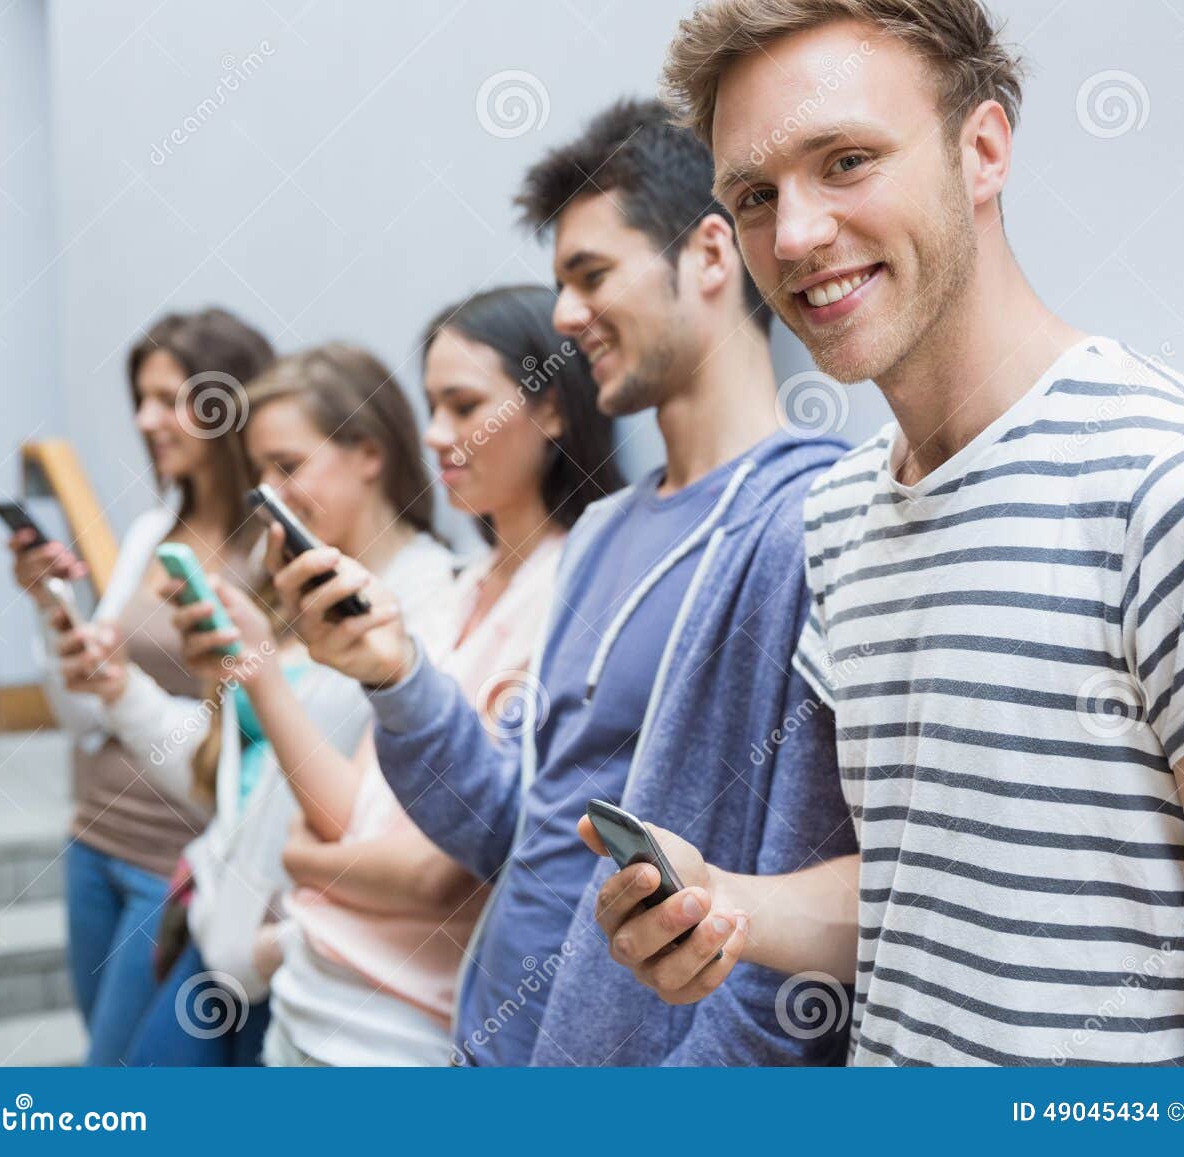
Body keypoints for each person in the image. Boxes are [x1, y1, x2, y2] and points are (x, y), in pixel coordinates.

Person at [585, 0, 1184, 1067]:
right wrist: (729, 903)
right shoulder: (839, 516)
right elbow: (929, 883)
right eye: (755, 195)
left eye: (848, 160)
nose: (796, 235)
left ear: (983, 149)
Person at [270, 99, 858, 1066]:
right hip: (494, 1045)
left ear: (711, 255)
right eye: (559, 285)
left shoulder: (804, 522)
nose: (565, 315)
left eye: (590, 275)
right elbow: (512, 826)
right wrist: (396, 675)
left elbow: (793, 929)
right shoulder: (597, 534)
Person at [176, 286, 623, 1066]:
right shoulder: (457, 593)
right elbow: (350, 812)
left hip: (398, 1037)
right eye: (430, 405)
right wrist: (255, 662)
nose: (436, 433)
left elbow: (436, 876)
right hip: (308, 1005)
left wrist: (310, 862)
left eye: (462, 404)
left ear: (551, 410)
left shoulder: (571, 598)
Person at [124, 342, 455, 1065]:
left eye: (289, 465)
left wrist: (280, 942)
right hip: (220, 928)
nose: (270, 494)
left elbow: (412, 835)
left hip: (300, 970)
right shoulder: (287, 591)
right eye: (260, 472)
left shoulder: (430, 602)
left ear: (370, 454)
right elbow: (246, 780)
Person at [5, 307, 274, 1066]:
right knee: (106, 1051)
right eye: (142, 398)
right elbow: (85, 716)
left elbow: (250, 739)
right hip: (93, 839)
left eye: (170, 397)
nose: (146, 419)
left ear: (229, 402)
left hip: (176, 861)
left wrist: (124, 692)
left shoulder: (268, 555)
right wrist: (51, 617)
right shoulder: (153, 531)